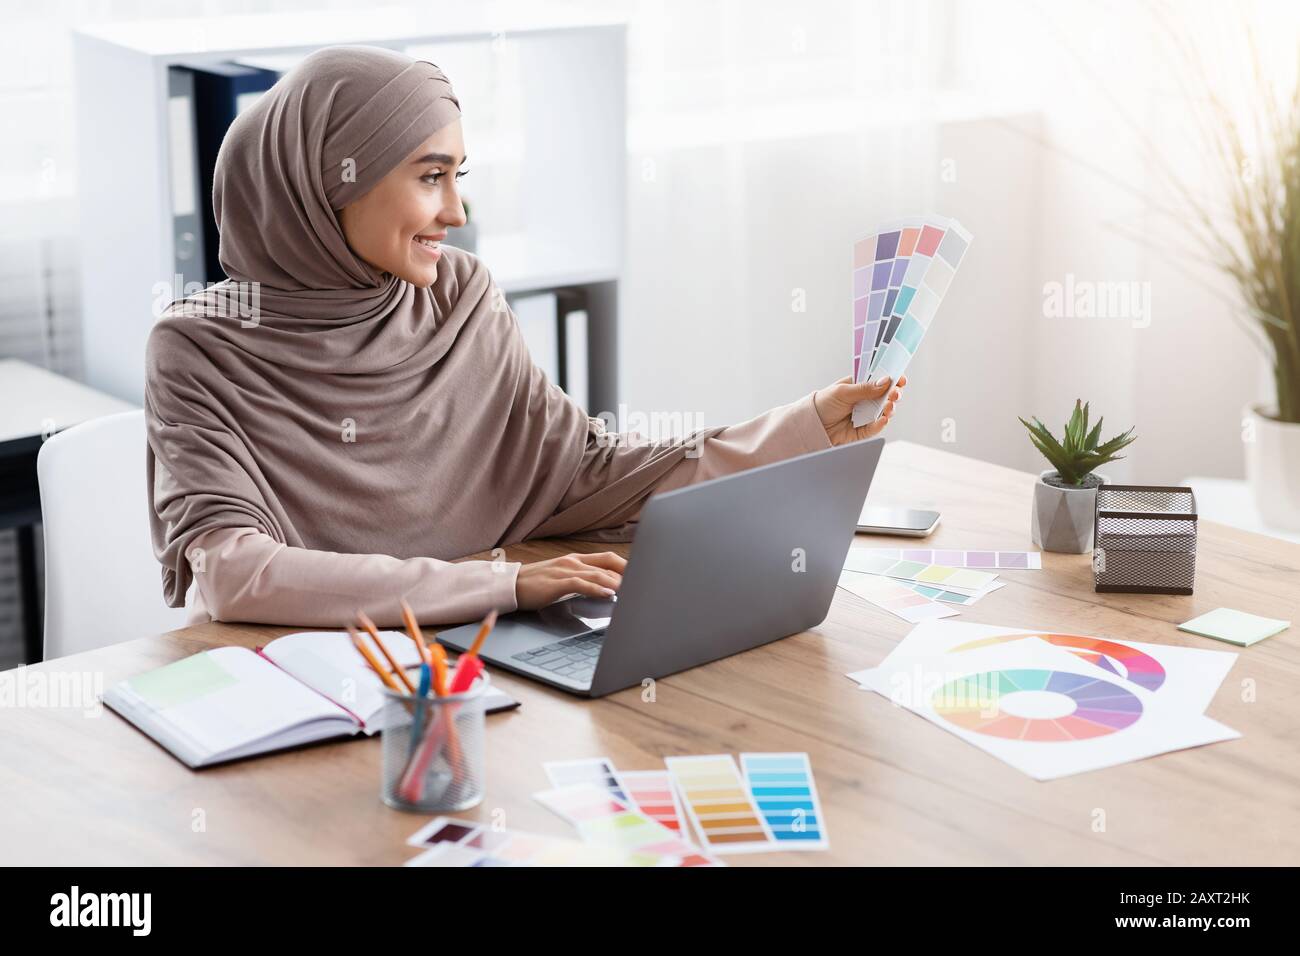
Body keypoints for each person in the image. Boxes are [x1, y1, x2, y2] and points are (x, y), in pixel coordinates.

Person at [145, 46, 905, 628]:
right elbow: (235, 574)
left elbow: (586, 477)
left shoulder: (459, 297)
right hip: (307, 680)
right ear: (326, 185)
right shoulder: (200, 349)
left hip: (472, 662)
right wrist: (501, 587)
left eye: (458, 174)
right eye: (430, 176)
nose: (457, 212)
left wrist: (801, 428)